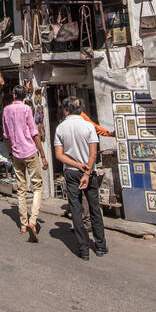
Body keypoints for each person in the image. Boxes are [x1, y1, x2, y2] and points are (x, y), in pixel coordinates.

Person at [54, 97, 107, 261]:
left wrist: (76, 165)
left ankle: (83, 250)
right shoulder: (88, 126)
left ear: (66, 110)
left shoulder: (60, 128)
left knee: (76, 210)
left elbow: (59, 155)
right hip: (89, 171)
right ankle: (100, 246)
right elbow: (93, 154)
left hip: (71, 172)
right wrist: (86, 170)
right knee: (94, 208)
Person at [3, 85, 48, 241]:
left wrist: (11, 152)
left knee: (21, 189)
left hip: (16, 154)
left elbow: (6, 136)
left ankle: (23, 224)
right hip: (29, 152)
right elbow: (34, 133)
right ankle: (33, 220)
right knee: (37, 187)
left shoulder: (6, 110)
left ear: (14, 95)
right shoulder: (27, 110)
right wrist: (42, 155)